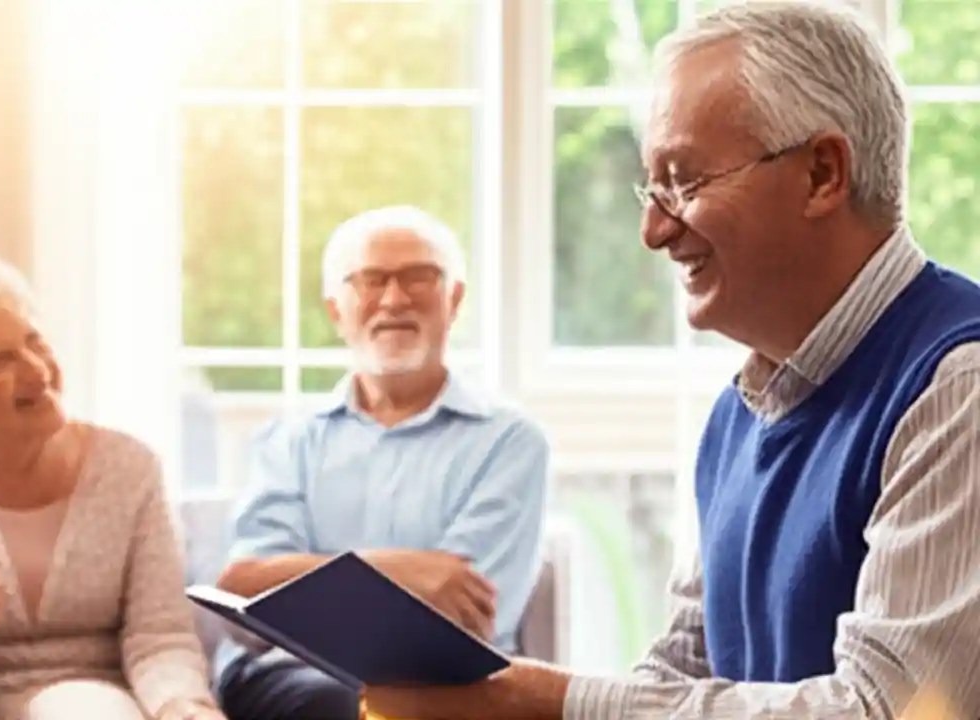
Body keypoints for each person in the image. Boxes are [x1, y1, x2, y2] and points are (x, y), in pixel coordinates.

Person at [367, 3, 980, 719]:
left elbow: (890, 711)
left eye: (684, 181)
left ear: (822, 173)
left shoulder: (956, 385)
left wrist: (539, 699)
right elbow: (679, 674)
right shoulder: (738, 416)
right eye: (650, 187)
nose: (654, 230)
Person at [214, 206, 551, 720]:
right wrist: (397, 568)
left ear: (454, 299)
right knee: (344, 703)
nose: (394, 299)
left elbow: (462, 624)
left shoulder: (510, 441)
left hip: (448, 687)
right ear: (336, 310)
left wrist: (305, 585)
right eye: (371, 280)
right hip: (287, 680)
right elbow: (242, 589)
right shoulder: (289, 438)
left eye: (419, 277)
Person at [0, 254, 224, 720]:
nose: (37, 371)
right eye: (1, 361)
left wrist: (184, 709)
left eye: (34, 342)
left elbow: (159, 637)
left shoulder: (129, 470)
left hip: (107, 703)